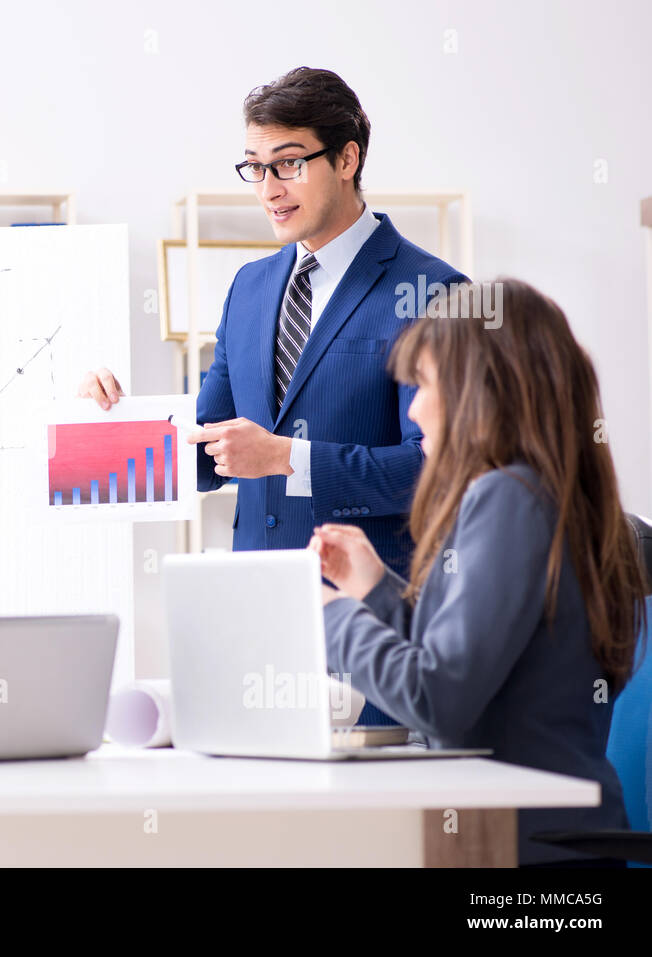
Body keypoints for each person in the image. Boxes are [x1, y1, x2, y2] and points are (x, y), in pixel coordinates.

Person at [80, 66, 467, 577]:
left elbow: (438, 471)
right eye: (255, 168)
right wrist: (111, 421)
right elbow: (208, 447)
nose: (269, 190)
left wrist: (289, 458)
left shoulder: (433, 292)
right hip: (258, 597)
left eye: (288, 165)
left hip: (375, 611)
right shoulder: (249, 287)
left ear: (347, 158)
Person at [311, 279, 647, 866]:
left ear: (483, 391)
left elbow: (438, 696)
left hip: (526, 852)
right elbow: (470, 658)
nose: (413, 408)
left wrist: (331, 617)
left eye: (424, 385)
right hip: (551, 843)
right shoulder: (547, 491)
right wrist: (371, 588)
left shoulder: (507, 495)